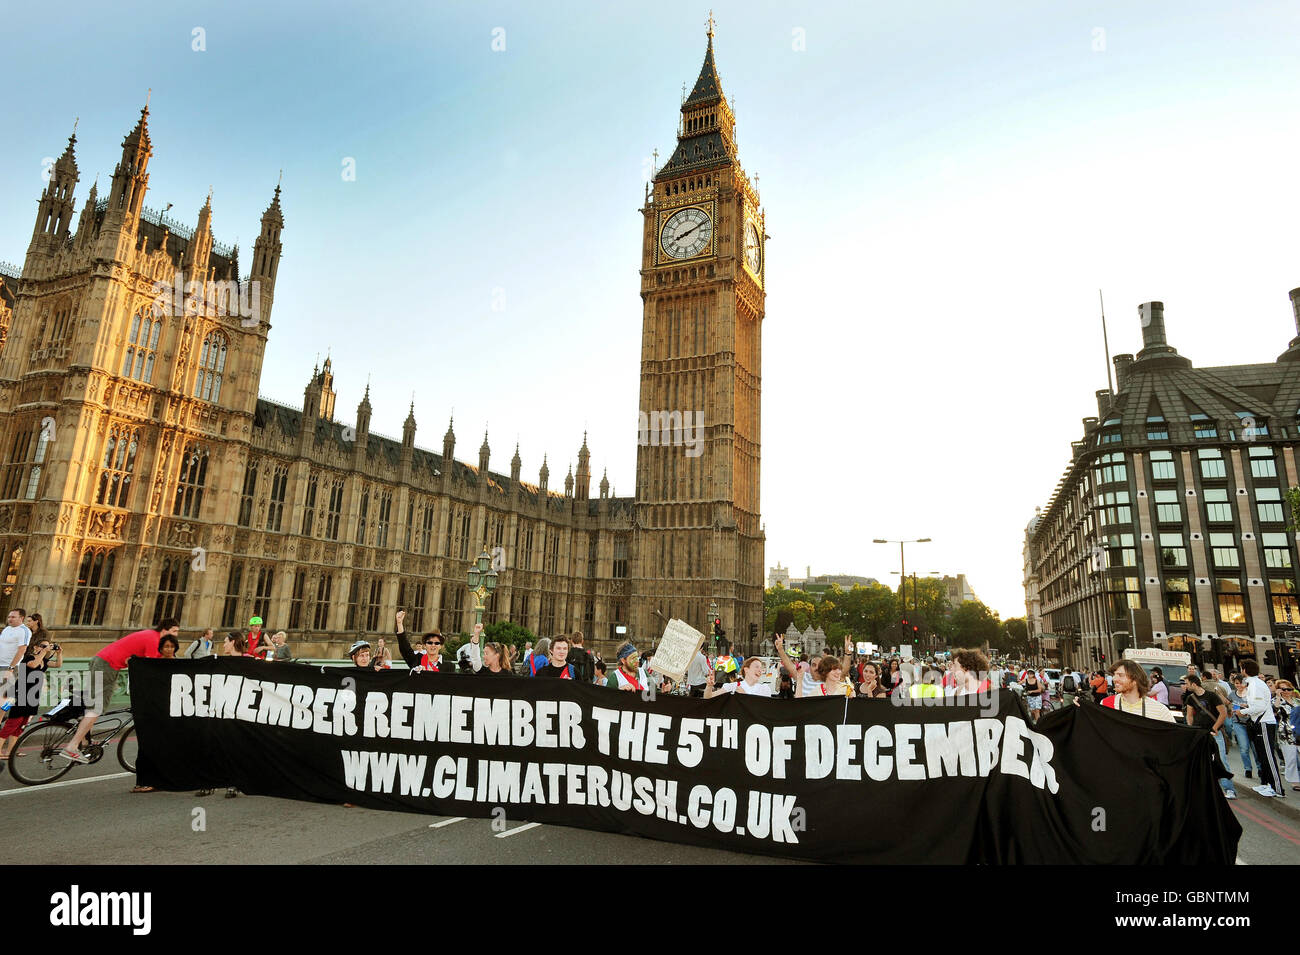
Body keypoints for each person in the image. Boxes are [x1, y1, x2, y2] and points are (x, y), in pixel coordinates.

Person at [58, 618, 180, 764]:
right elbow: (151, 667)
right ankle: (72, 747)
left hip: (103, 662)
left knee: (93, 705)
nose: (176, 635)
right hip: (107, 665)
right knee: (96, 708)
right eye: (175, 631)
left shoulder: (149, 635)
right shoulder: (153, 639)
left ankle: (85, 741)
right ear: (165, 629)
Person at [0, 636, 61, 769]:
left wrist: (59, 653)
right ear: (35, 647)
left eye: (47, 646)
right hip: (21, 694)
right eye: (43, 646)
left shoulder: (44, 660)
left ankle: (10, 751)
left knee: (21, 726)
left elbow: (58, 665)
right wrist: (44, 652)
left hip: (33, 697)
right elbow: (33, 665)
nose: (46, 648)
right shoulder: (28, 658)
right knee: (11, 724)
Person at [1183, 673, 1236, 799]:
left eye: (1186, 683)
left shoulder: (1212, 696)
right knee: (1201, 761)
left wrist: (1215, 728)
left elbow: (1222, 713)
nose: (1185, 686)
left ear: (1194, 684)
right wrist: (1192, 729)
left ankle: (1229, 789)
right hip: (1200, 733)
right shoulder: (1190, 698)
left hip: (1214, 733)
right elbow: (1189, 715)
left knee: (1221, 760)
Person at [1238, 659, 1285, 798]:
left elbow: (1259, 707)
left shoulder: (1256, 685)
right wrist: (1247, 708)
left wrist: (1244, 712)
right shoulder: (1253, 684)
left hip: (1264, 723)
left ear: (1245, 670)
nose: (1241, 671)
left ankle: (1277, 789)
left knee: (1268, 756)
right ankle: (1266, 784)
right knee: (1262, 756)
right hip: (1259, 723)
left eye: (1241, 668)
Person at [1101, 661, 1175, 722]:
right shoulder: (1106, 704)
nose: (1114, 679)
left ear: (1135, 680)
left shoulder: (1159, 711)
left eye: (1120, 675)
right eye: (1114, 675)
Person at [1226, 674, 1256, 779]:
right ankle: (1248, 768)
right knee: (1244, 747)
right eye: (1237, 683)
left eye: (1241, 683)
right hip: (1238, 723)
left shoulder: (1251, 693)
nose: (1239, 685)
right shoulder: (1232, 694)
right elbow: (1227, 704)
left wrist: (1247, 707)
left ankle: (1260, 768)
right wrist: (1230, 712)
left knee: (1255, 747)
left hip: (1252, 722)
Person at [1, 608, 32, 707]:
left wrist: (11, 669)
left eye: (13, 617)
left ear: (21, 618)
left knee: (5, 696)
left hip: (9, 667)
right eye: (9, 617)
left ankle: (1, 719)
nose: (10, 619)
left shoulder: (24, 631)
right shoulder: (6, 629)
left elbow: (22, 650)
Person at [1273, 681, 1300, 793]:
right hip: (1285, 734)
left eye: (1288, 689)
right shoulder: (1276, 701)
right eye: (1283, 689)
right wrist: (1278, 696)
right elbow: (1274, 712)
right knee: (1291, 759)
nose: (1286, 692)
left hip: (1299, 732)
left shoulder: (1297, 701)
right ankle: (1295, 781)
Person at [704, 656, 773, 697]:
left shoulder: (765, 689)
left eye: (761, 668)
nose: (760, 670)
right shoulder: (733, 686)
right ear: (746, 670)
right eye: (756, 667)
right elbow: (709, 698)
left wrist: (744, 696)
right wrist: (709, 686)